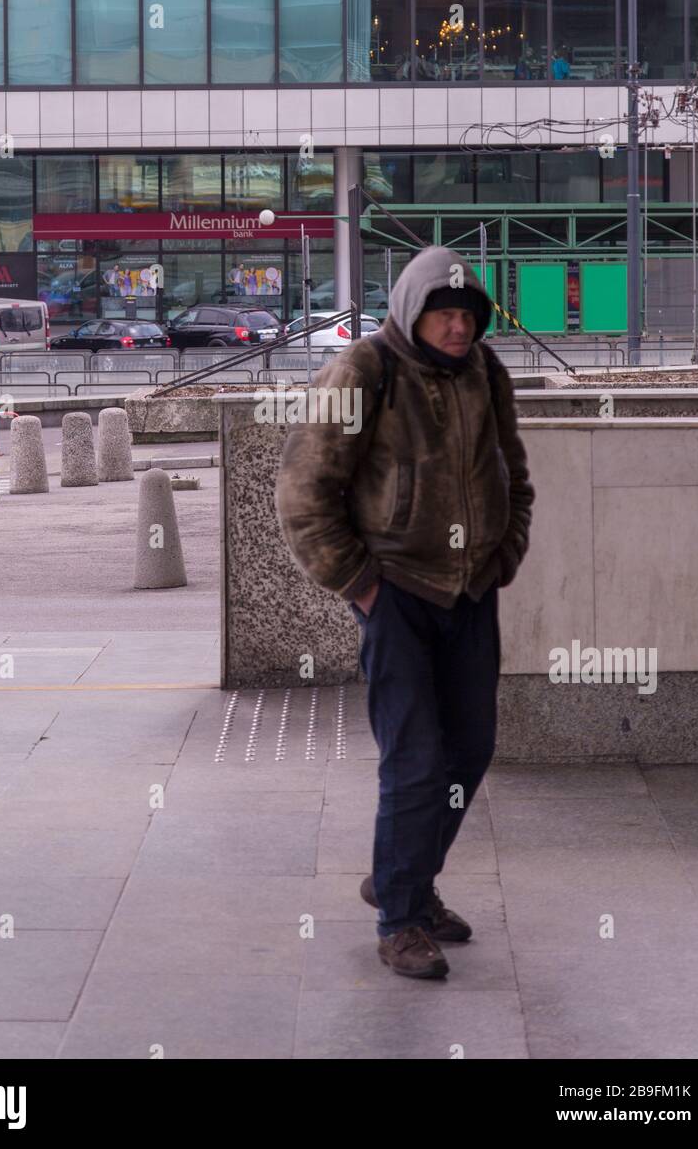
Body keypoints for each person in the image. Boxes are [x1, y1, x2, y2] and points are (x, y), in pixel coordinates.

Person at [275, 247, 535, 980]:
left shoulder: (487, 371)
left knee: (470, 748)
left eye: (468, 315)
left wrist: (505, 553)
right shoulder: (365, 370)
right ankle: (400, 919)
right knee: (417, 758)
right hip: (396, 592)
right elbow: (303, 490)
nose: (458, 327)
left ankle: (406, 878)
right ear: (411, 311)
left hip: (471, 590)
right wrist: (360, 584)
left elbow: (513, 472)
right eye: (444, 314)